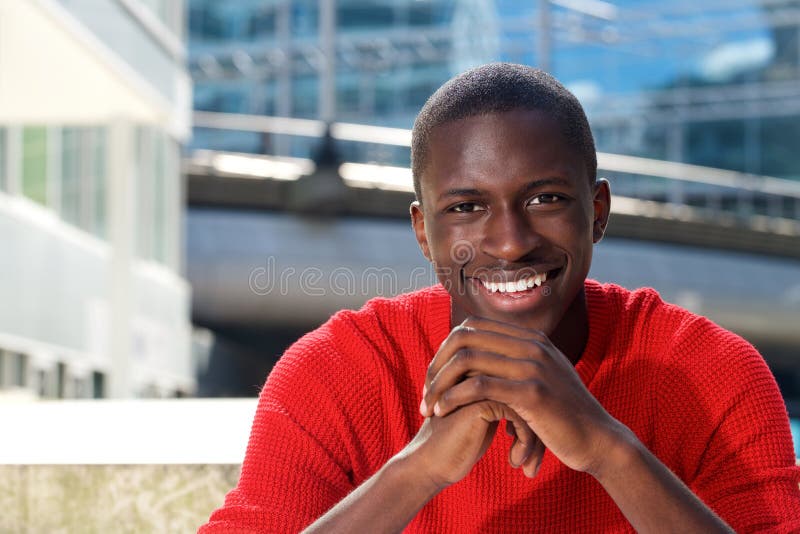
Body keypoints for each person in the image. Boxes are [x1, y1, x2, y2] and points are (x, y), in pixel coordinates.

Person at [200, 63, 800, 533]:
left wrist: (609, 450)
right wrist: (418, 471)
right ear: (422, 232)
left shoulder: (710, 371)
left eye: (545, 200)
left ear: (597, 212)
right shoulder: (339, 371)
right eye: (466, 208)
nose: (510, 244)